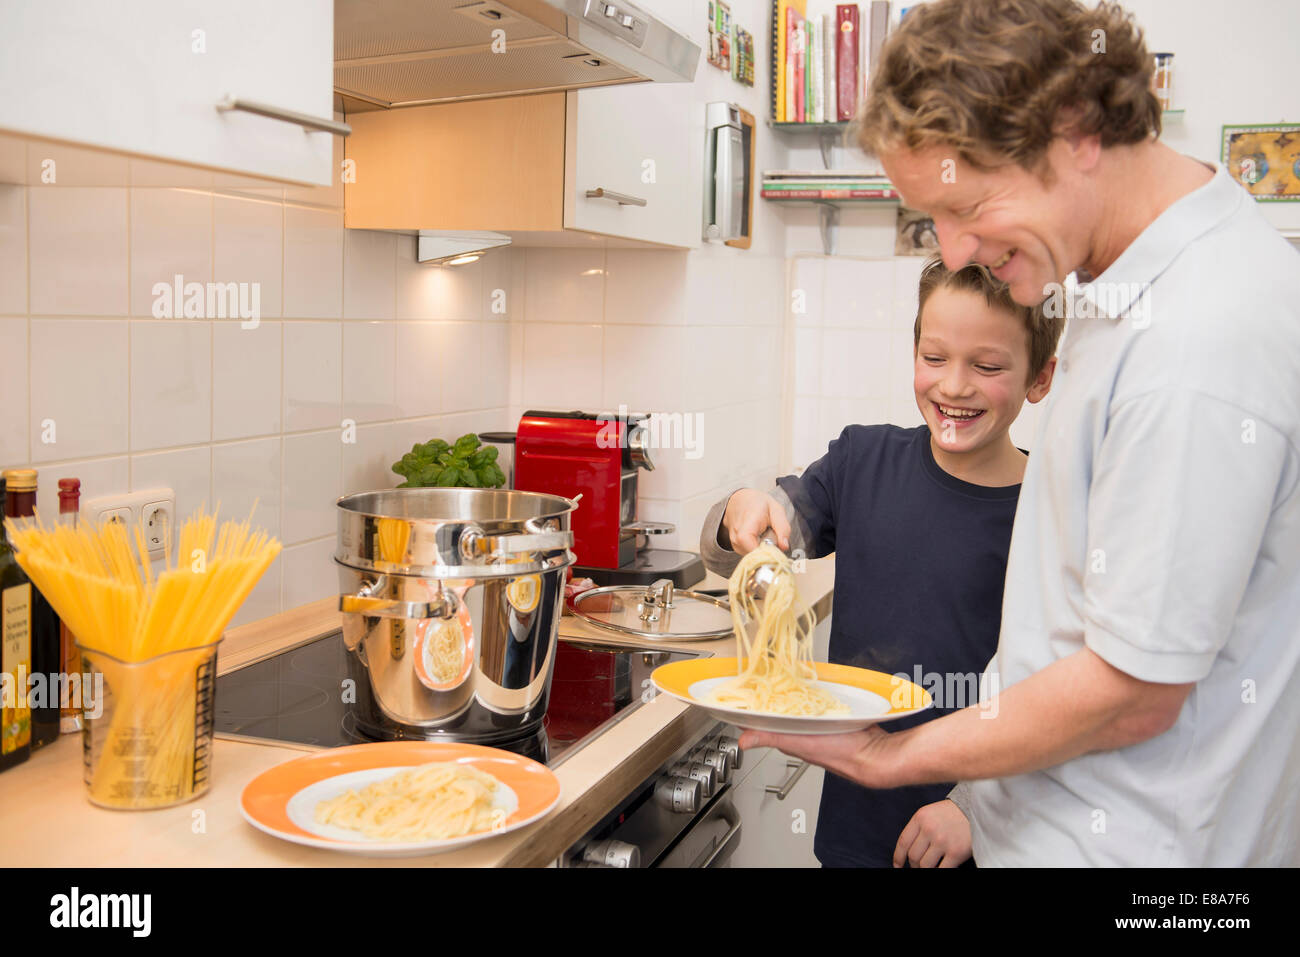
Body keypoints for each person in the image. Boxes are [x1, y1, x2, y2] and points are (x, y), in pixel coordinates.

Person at [740, 0, 1300, 866]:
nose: (955, 253)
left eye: (964, 204)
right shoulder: (1121, 289)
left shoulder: (1195, 339)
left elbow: (1131, 694)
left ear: (1073, 131)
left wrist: (891, 755)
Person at [700, 255, 1062, 867]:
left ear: (1040, 377)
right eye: (935, 358)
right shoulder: (861, 461)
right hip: (856, 827)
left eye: (988, 365)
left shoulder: (1048, 512)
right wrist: (742, 505)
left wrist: (972, 807)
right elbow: (739, 540)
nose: (954, 385)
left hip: (979, 833)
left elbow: (1053, 697)